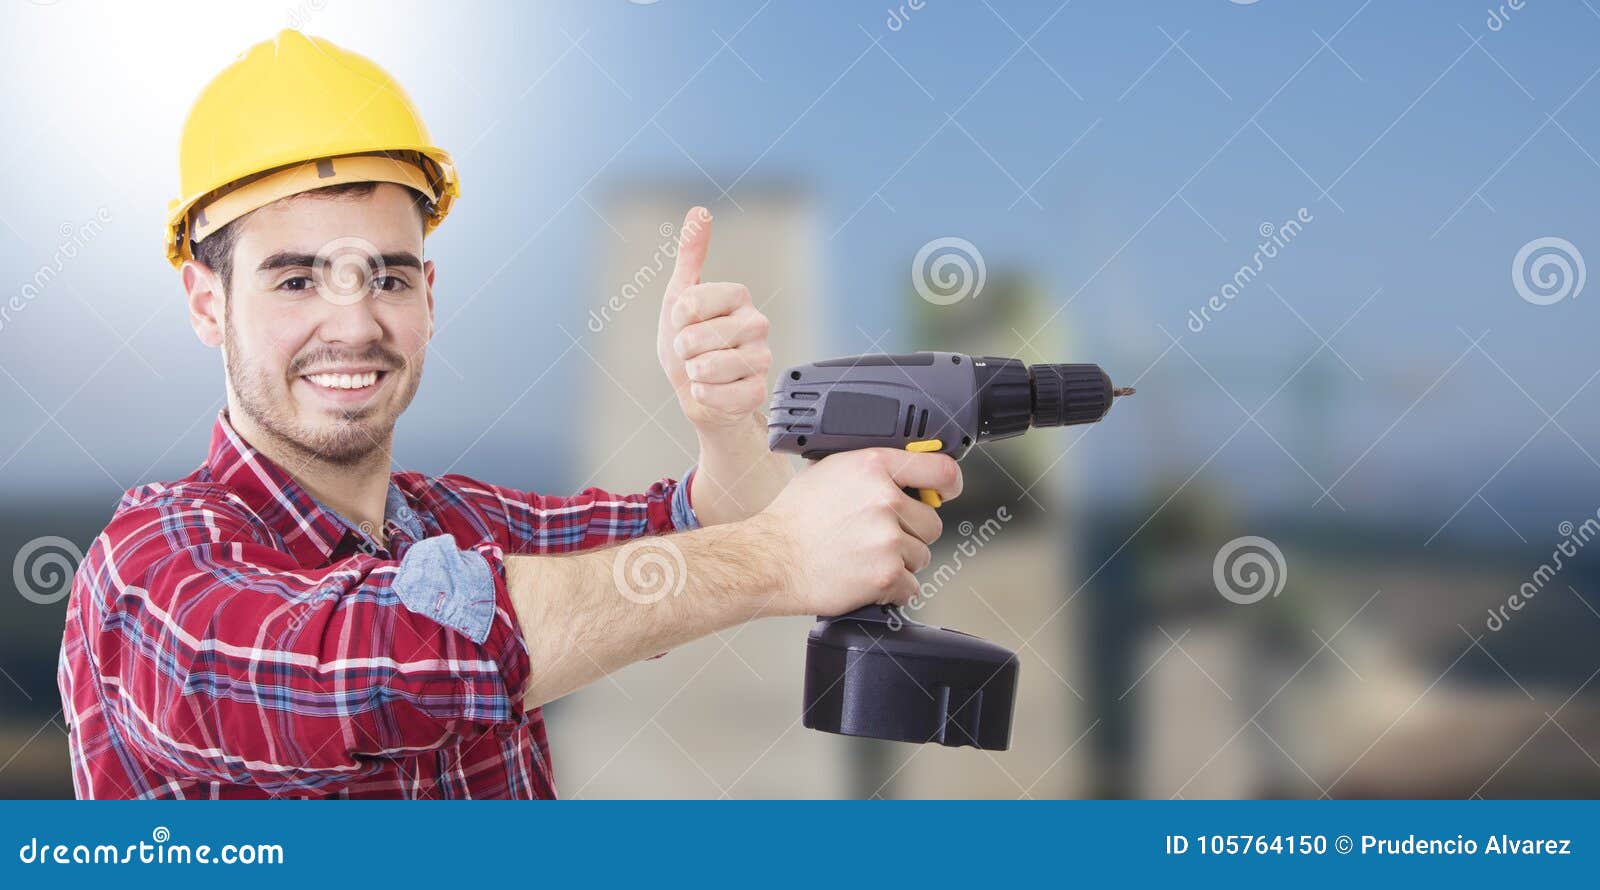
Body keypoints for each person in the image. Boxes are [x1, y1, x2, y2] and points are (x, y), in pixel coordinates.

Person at [56, 30, 958, 799]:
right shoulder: (147, 573)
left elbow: (693, 533)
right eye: (296, 279)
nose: (355, 323)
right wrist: (778, 559)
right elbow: (380, 665)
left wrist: (724, 423)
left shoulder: (458, 527)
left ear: (430, 296)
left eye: (387, 276)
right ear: (206, 302)